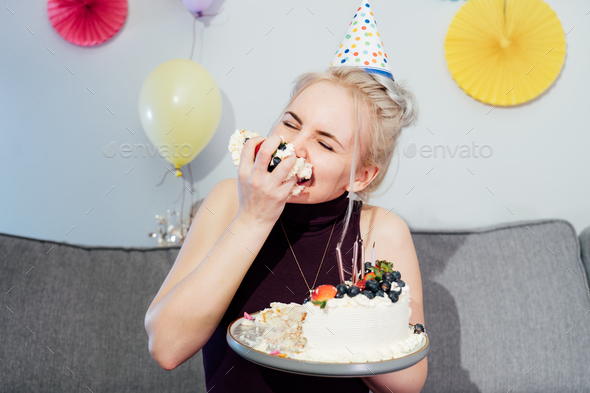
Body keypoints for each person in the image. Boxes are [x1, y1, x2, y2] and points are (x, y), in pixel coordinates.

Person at [145, 64, 426, 392]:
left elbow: (406, 383)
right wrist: (254, 219)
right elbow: (166, 347)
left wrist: (347, 310)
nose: (294, 147)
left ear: (361, 176)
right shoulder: (228, 201)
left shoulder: (381, 229)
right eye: (291, 123)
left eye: (325, 144)